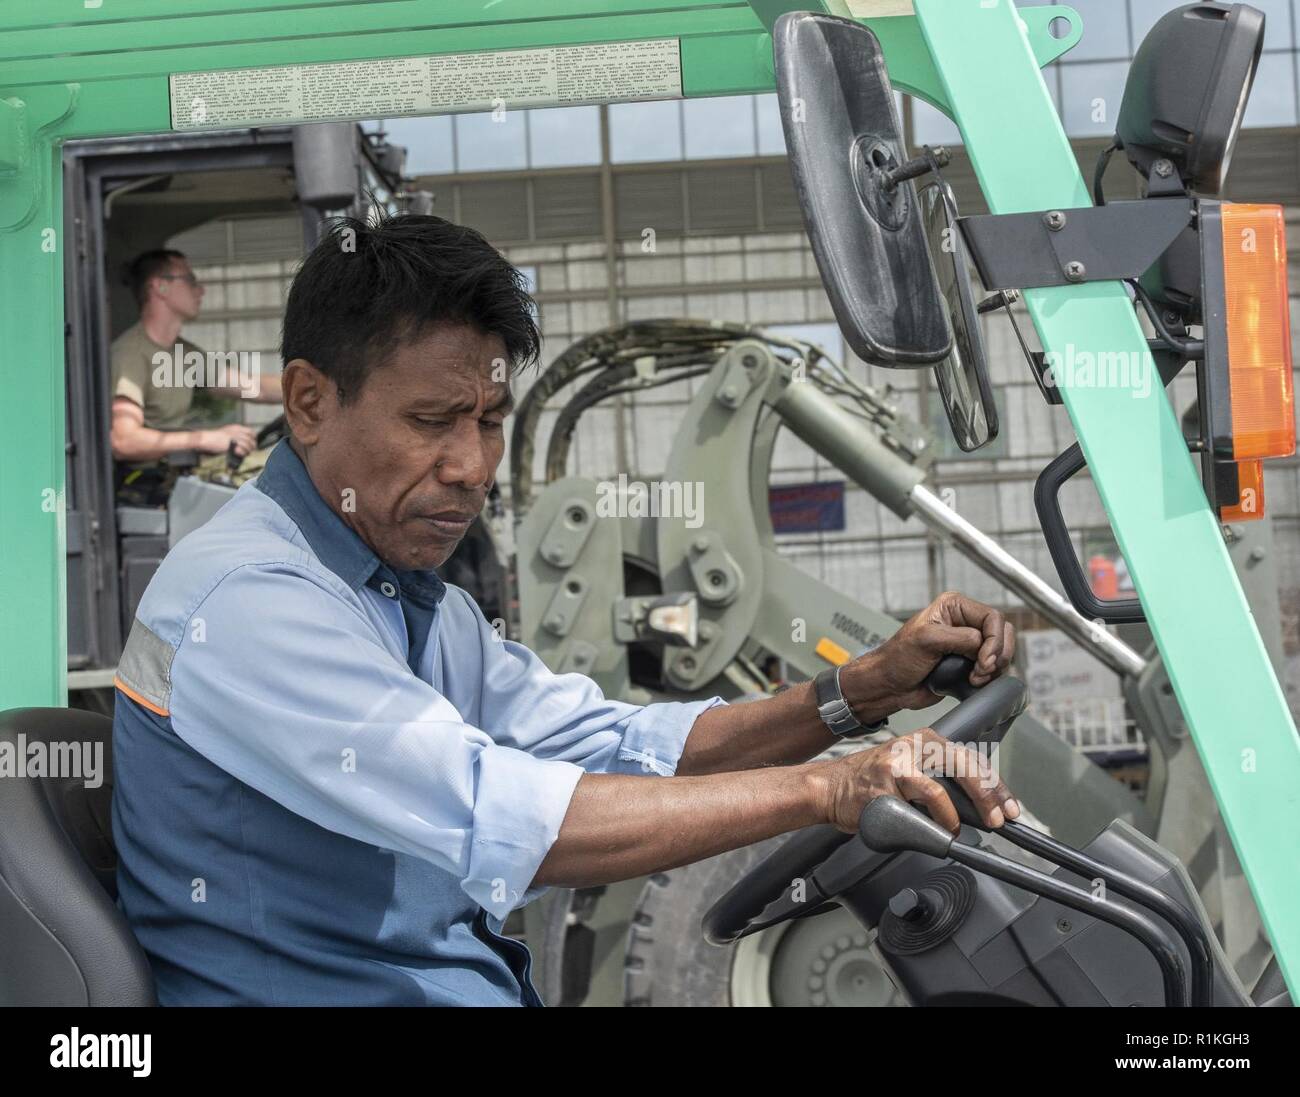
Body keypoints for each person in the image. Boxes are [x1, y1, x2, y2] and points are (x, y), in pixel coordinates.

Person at [111, 212, 1021, 1006]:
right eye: (433, 421)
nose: (473, 465)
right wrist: (826, 787)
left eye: (492, 418)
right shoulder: (252, 599)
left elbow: (617, 746)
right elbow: (505, 817)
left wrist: (857, 695)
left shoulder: (402, 596)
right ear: (309, 403)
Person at [109, 249, 284, 503]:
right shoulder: (131, 353)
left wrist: (309, 387)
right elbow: (123, 440)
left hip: (177, 478)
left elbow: (253, 387)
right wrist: (207, 438)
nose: (200, 290)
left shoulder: (182, 354)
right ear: (161, 287)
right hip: (147, 487)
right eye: (190, 280)